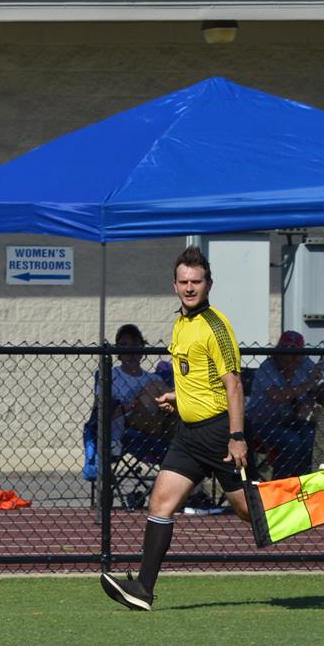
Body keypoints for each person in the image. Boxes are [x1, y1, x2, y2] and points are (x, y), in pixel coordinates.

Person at [99, 245, 251, 611]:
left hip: (218, 434)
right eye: (183, 281)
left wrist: (237, 436)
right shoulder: (180, 323)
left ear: (208, 283)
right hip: (187, 434)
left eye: (196, 282)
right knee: (161, 503)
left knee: (251, 513)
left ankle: (317, 500)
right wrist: (177, 397)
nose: (189, 288)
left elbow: (234, 384)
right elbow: (195, 378)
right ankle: (143, 590)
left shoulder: (216, 326)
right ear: (174, 284)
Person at [249, 330, 322, 477]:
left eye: (294, 354)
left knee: (311, 437)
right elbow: (278, 396)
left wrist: (308, 404)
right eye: (284, 352)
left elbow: (313, 392)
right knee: (291, 441)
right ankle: (282, 488)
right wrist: (310, 383)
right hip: (261, 422)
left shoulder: (305, 364)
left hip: (292, 422)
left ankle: (301, 484)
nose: (288, 358)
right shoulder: (267, 367)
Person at [97, 322, 172, 453]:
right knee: (153, 387)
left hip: (163, 424)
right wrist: (132, 405)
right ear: (118, 351)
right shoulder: (110, 376)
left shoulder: (153, 378)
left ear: (142, 350)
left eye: (135, 345)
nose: (130, 351)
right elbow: (100, 413)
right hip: (128, 429)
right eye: (124, 345)